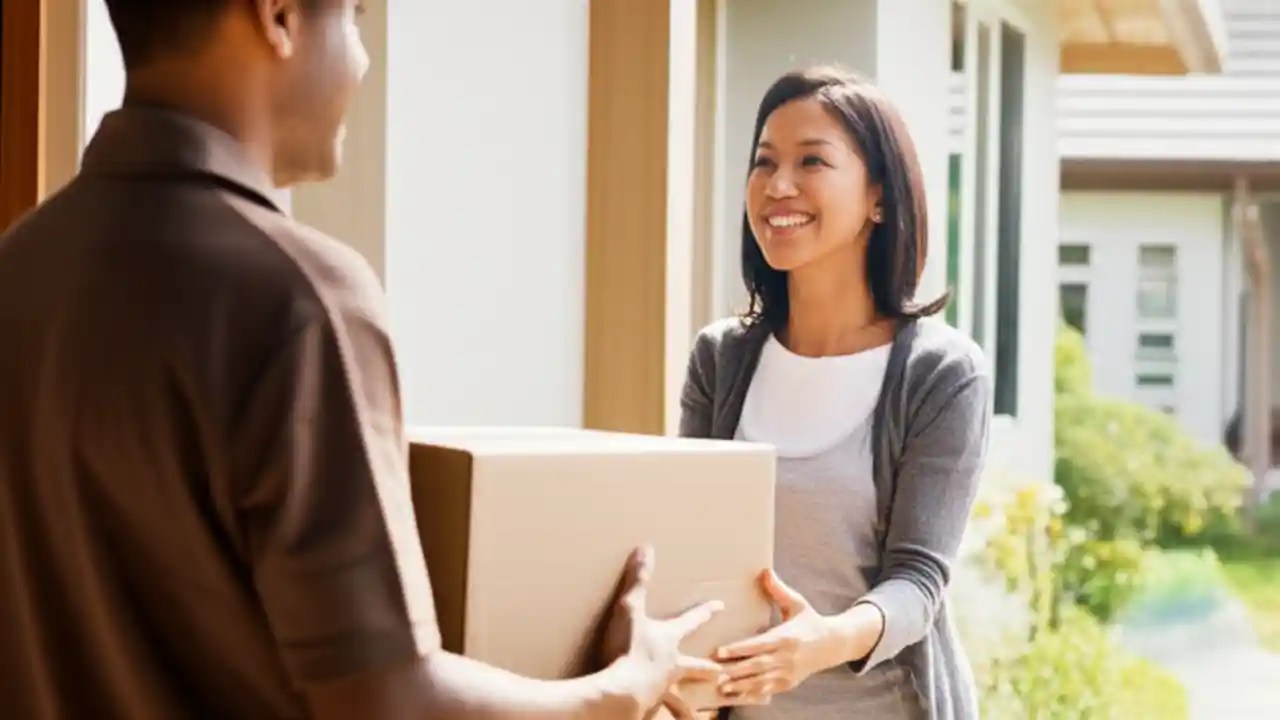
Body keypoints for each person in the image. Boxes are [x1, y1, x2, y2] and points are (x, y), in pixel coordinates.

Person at [0, 1, 721, 718]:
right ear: (279, 16)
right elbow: (386, 703)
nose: (363, 60)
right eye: (353, 19)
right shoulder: (298, 297)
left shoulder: (20, 267)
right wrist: (622, 691)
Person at [679, 67, 992, 719]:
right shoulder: (721, 357)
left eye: (811, 161)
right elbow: (693, 545)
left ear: (879, 196)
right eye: (764, 164)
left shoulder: (941, 372)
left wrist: (823, 641)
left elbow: (919, 581)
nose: (778, 186)